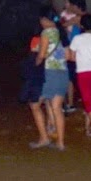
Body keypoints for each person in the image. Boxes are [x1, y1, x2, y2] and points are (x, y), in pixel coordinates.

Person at [31, 8, 71, 150]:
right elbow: (68, 56)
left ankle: (44, 138)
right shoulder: (62, 33)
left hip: (50, 72)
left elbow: (41, 55)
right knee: (56, 107)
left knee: (35, 105)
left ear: (45, 20)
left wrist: (34, 63)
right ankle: (60, 142)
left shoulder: (46, 32)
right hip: (63, 72)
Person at [68, 13, 91, 137]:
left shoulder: (77, 39)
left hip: (83, 73)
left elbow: (72, 58)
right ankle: (88, 128)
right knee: (89, 100)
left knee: (87, 101)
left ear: (81, 25)